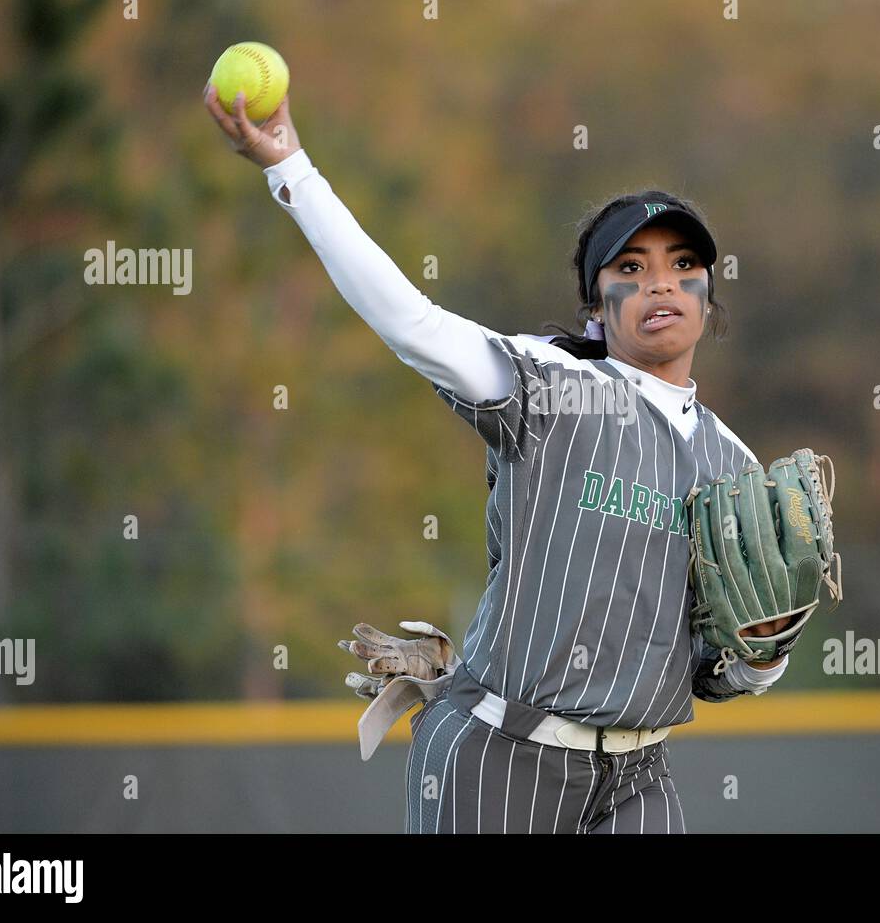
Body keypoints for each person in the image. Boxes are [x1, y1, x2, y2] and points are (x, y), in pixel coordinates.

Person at [205, 86, 802, 833]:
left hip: (639, 775)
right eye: (630, 267)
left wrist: (763, 655)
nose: (659, 282)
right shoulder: (549, 386)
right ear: (595, 304)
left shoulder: (736, 466)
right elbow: (408, 321)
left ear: (708, 295)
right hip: (502, 757)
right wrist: (290, 167)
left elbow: (720, 672)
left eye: (683, 264)